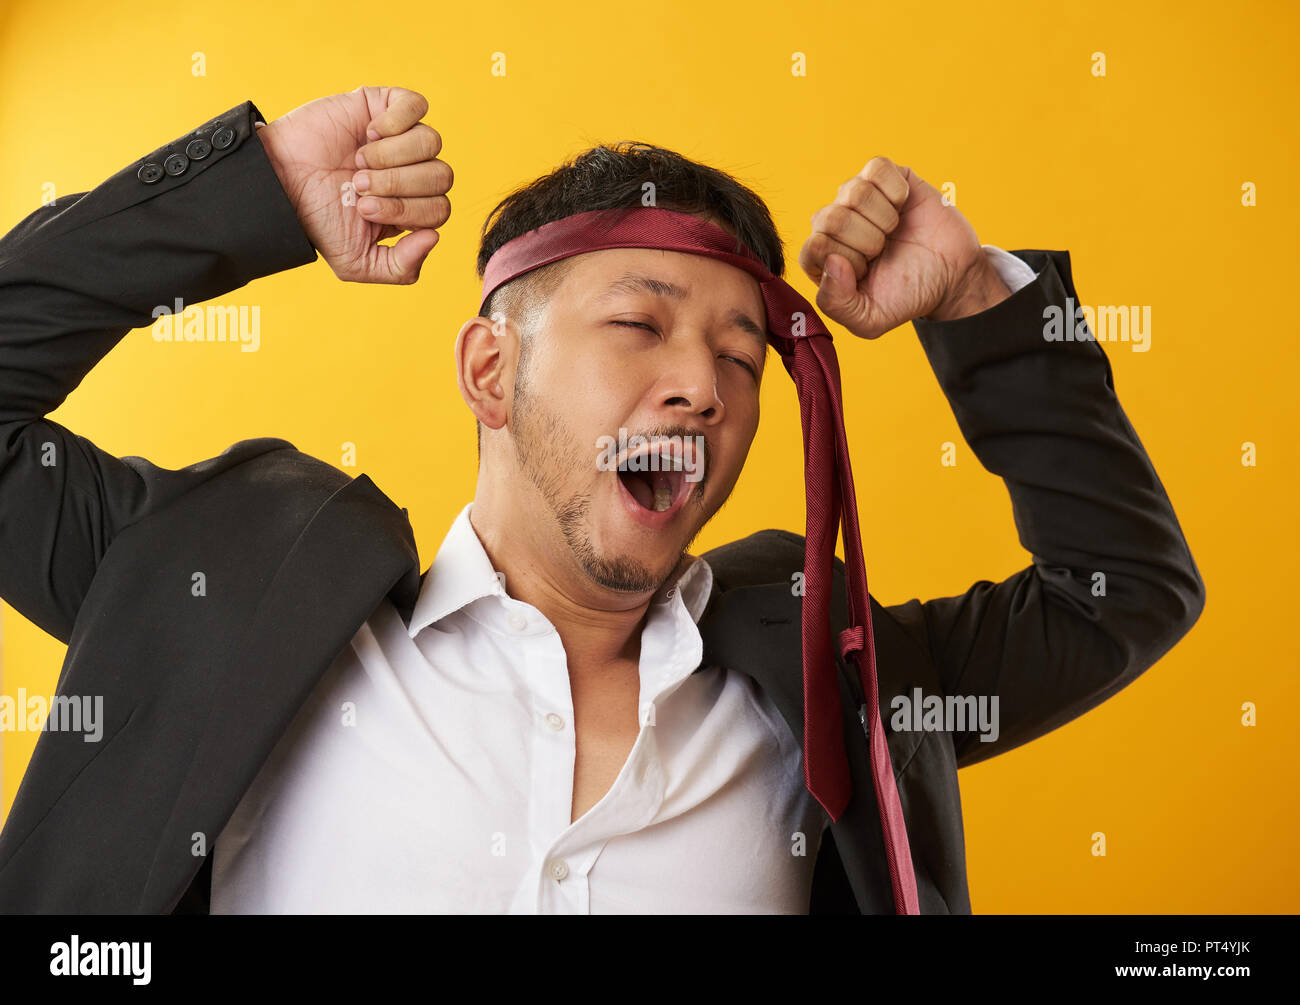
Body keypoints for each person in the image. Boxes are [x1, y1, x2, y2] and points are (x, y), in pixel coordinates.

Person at [0, 86, 1204, 914]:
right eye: (637, 326)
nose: (699, 388)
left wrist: (983, 302)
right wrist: (243, 198)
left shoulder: (830, 676)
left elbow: (1120, 596)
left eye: (743, 359)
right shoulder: (229, 601)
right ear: (489, 369)